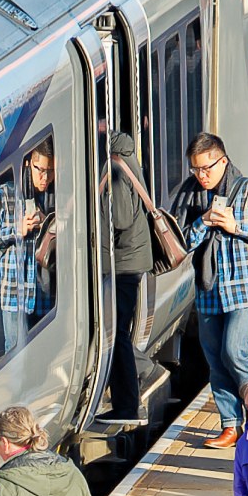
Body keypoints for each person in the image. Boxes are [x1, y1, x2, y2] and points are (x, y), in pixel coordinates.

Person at [176, 131, 248, 450]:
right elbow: (180, 242)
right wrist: (203, 222)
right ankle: (231, 425)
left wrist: (237, 227)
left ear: (223, 161)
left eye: (207, 168)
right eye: (195, 169)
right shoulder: (191, 196)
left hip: (243, 287)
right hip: (209, 289)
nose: (201, 176)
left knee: (235, 350)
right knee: (215, 358)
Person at [101, 131, 158, 424]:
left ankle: (141, 379)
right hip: (130, 262)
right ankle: (130, 395)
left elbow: (120, 219)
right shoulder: (127, 160)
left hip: (124, 266)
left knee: (116, 335)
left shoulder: (115, 170)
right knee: (117, 332)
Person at [0, 143, 58, 342]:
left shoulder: (58, 195)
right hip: (14, 296)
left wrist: (49, 223)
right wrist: (16, 230)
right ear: (26, 164)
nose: (44, 178)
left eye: (50, 171)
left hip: (47, 296)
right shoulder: (3, 194)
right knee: (15, 358)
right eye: (39, 169)